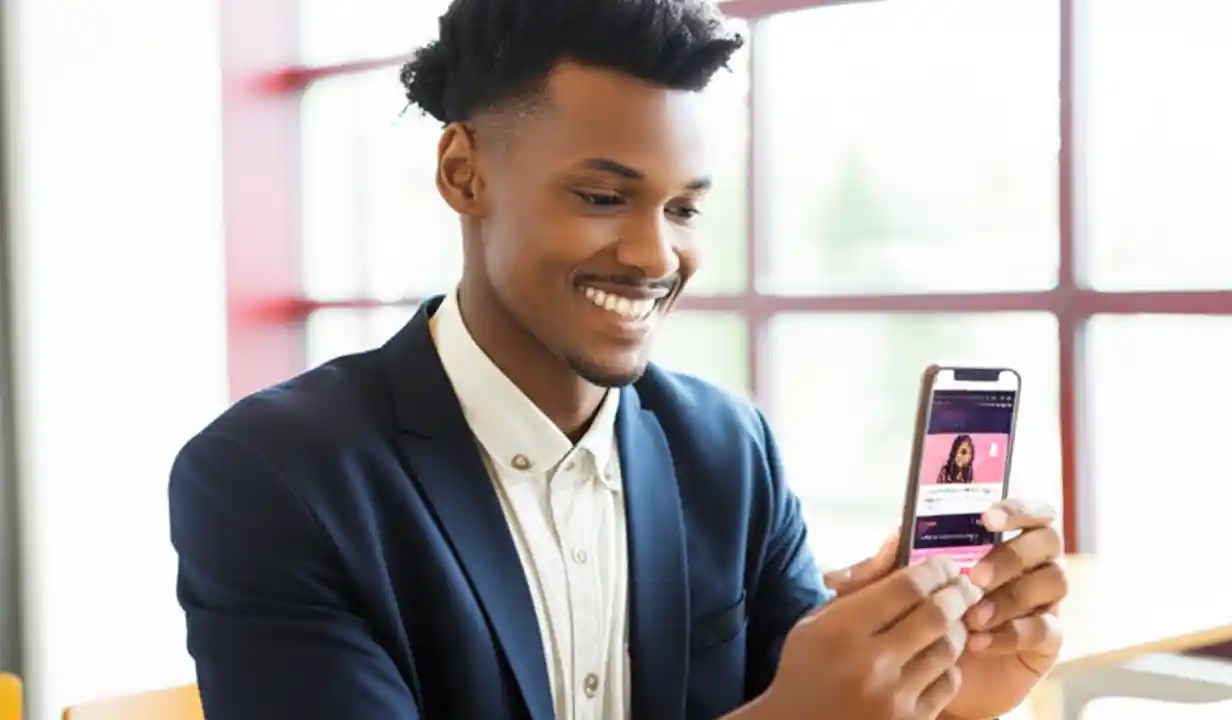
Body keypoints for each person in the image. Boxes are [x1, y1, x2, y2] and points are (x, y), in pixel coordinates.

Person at [169, 1, 1067, 718]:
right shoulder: (273, 479)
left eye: (683, 210)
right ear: (463, 173)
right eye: (604, 196)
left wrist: (945, 695)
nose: (654, 256)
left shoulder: (729, 449)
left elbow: (810, 692)